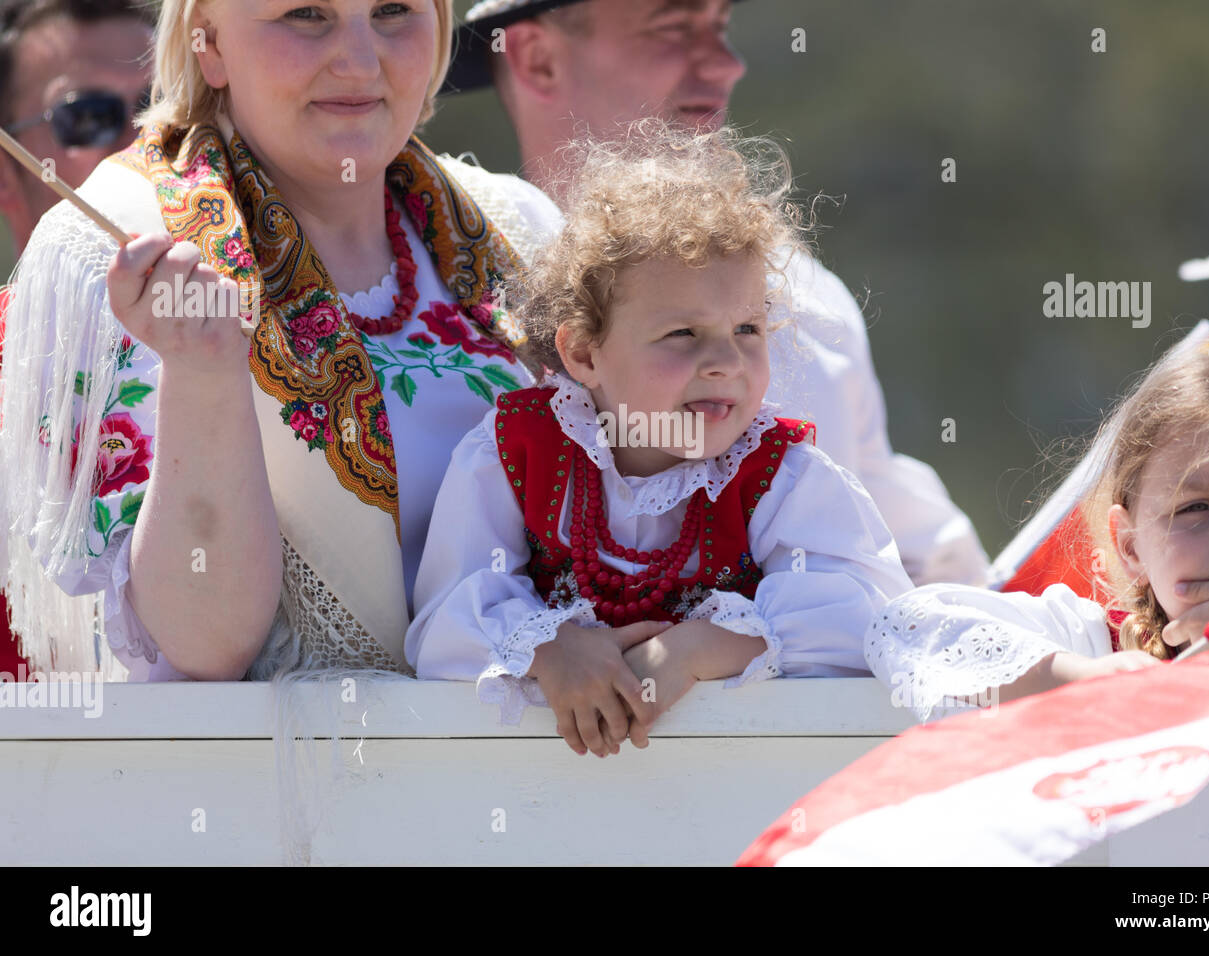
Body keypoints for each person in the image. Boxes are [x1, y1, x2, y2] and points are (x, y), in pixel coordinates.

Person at [0, 0, 559, 681]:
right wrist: (203, 378)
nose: (359, 58)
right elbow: (204, 644)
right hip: (267, 782)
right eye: (305, 14)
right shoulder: (107, 251)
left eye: (393, 11)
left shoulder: (524, 229)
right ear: (208, 44)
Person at [437, 0, 992, 588]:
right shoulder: (433, 303)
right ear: (538, 59)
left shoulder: (809, 301)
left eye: (720, 26)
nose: (727, 64)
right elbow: (455, 613)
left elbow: (915, 563)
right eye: (674, 26)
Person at [408, 122, 914, 757]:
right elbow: (444, 616)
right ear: (585, 352)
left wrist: (701, 647)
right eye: (683, 334)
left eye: (748, 329)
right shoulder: (517, 451)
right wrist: (549, 648)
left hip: (738, 786)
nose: (726, 361)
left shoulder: (779, 474)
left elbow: (870, 619)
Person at [865, 335, 1209, 721]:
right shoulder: (1089, 643)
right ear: (1130, 546)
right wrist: (1079, 681)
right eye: (1198, 506)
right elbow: (901, 628)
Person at [0, 0, 155, 678]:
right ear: (7, 178)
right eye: (88, 116)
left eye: (160, 107)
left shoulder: (284, 337)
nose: (138, 144)